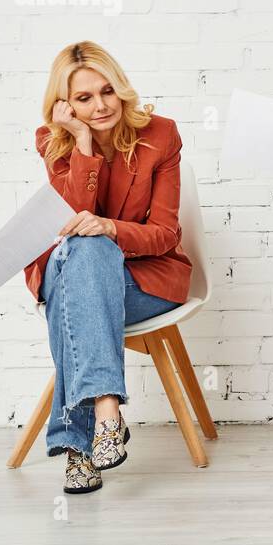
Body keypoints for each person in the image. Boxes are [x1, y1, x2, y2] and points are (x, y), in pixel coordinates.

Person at [25, 41, 191, 495]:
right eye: (83, 98)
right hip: (81, 277)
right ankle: (106, 415)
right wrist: (81, 143)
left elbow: (164, 233)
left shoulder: (161, 134)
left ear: (121, 90)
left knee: (89, 258)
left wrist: (112, 230)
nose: (99, 106)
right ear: (65, 106)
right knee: (86, 251)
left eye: (107, 91)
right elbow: (74, 215)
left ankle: (74, 448)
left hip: (146, 280)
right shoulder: (54, 142)